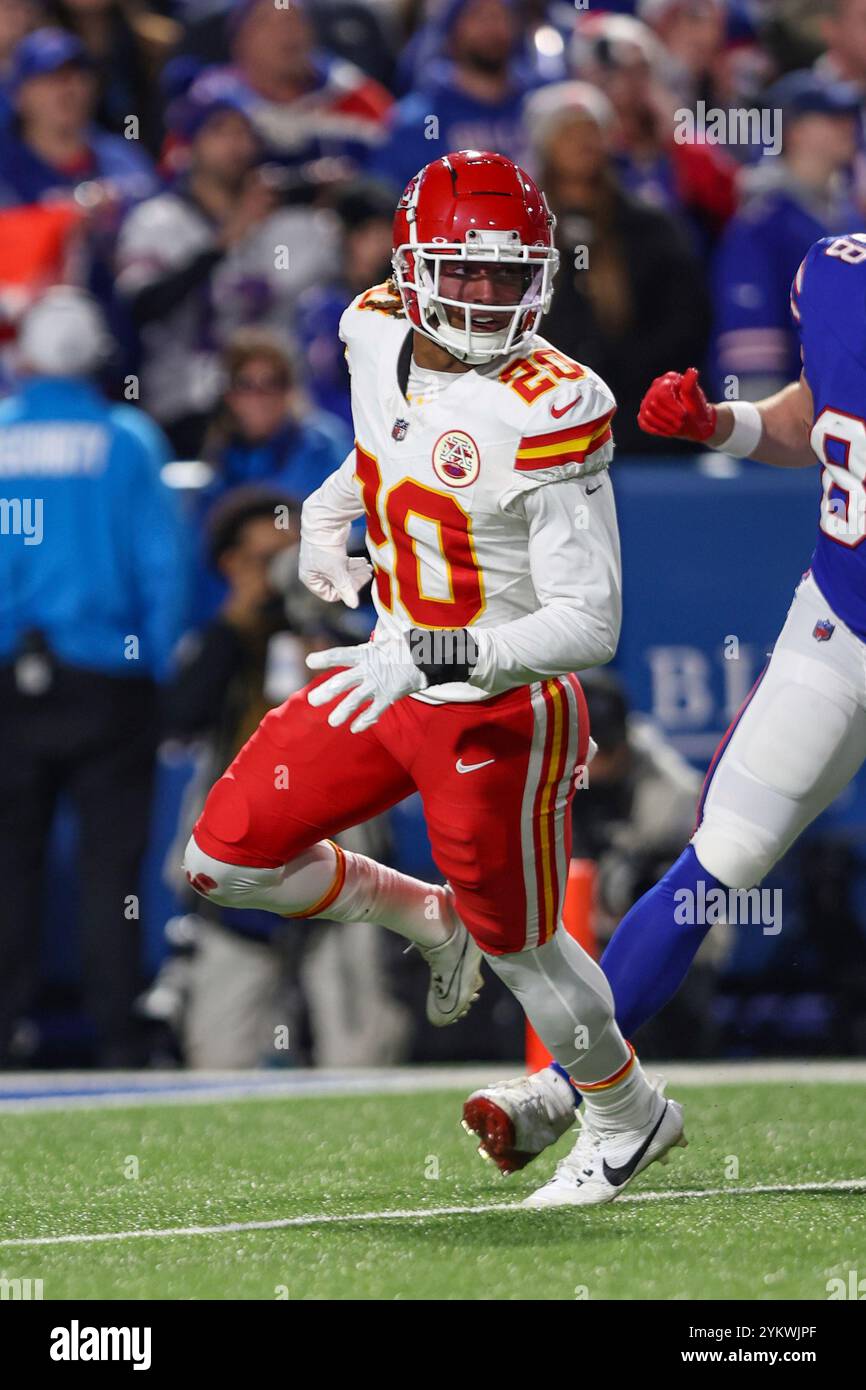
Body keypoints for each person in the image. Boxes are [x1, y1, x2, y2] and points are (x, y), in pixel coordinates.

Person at [183, 149, 686, 1210]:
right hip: (390, 673)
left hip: (497, 704)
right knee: (217, 861)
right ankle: (424, 916)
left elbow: (589, 624)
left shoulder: (551, 403)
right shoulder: (371, 325)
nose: (486, 296)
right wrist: (327, 516)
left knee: (527, 948)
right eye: (462, 272)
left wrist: (438, 649)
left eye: (509, 277)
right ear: (411, 268)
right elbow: (388, 449)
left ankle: (625, 1112)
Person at [463, 227, 866, 1171]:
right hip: (843, 626)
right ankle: (579, 1090)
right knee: (718, 858)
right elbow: (823, 410)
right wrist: (719, 426)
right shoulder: (836, 271)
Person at [0, 286, 188, 1066]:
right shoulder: (128, 439)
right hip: (112, 680)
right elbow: (164, 566)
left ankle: (9, 1031)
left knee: (10, 864)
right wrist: (159, 664)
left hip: (12, 680)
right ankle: (116, 1037)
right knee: (115, 868)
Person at [158, 486, 410, 1068]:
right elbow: (179, 718)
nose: (280, 572)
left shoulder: (355, 640)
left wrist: (328, 642)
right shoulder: (221, 644)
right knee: (219, 1053)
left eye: (291, 554)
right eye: (262, 558)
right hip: (240, 859)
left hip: (343, 858)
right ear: (229, 566)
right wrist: (238, 621)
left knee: (363, 1047)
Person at [115, 77, 340, 454]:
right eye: (219, 131)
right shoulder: (157, 221)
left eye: (244, 132)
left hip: (277, 408)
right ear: (190, 143)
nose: (237, 145)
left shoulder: (293, 226)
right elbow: (141, 309)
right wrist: (222, 244)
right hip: (185, 407)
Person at [525, 82, 711, 454]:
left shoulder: (651, 227)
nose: (582, 143)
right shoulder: (520, 230)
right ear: (545, 143)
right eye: (567, 131)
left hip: (637, 429)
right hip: (536, 418)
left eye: (590, 130)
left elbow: (686, 321)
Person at [711, 70, 860, 400]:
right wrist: (765, 437)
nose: (848, 125)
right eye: (831, 117)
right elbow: (751, 344)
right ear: (795, 131)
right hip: (798, 423)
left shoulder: (846, 214)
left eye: (848, 116)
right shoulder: (763, 221)